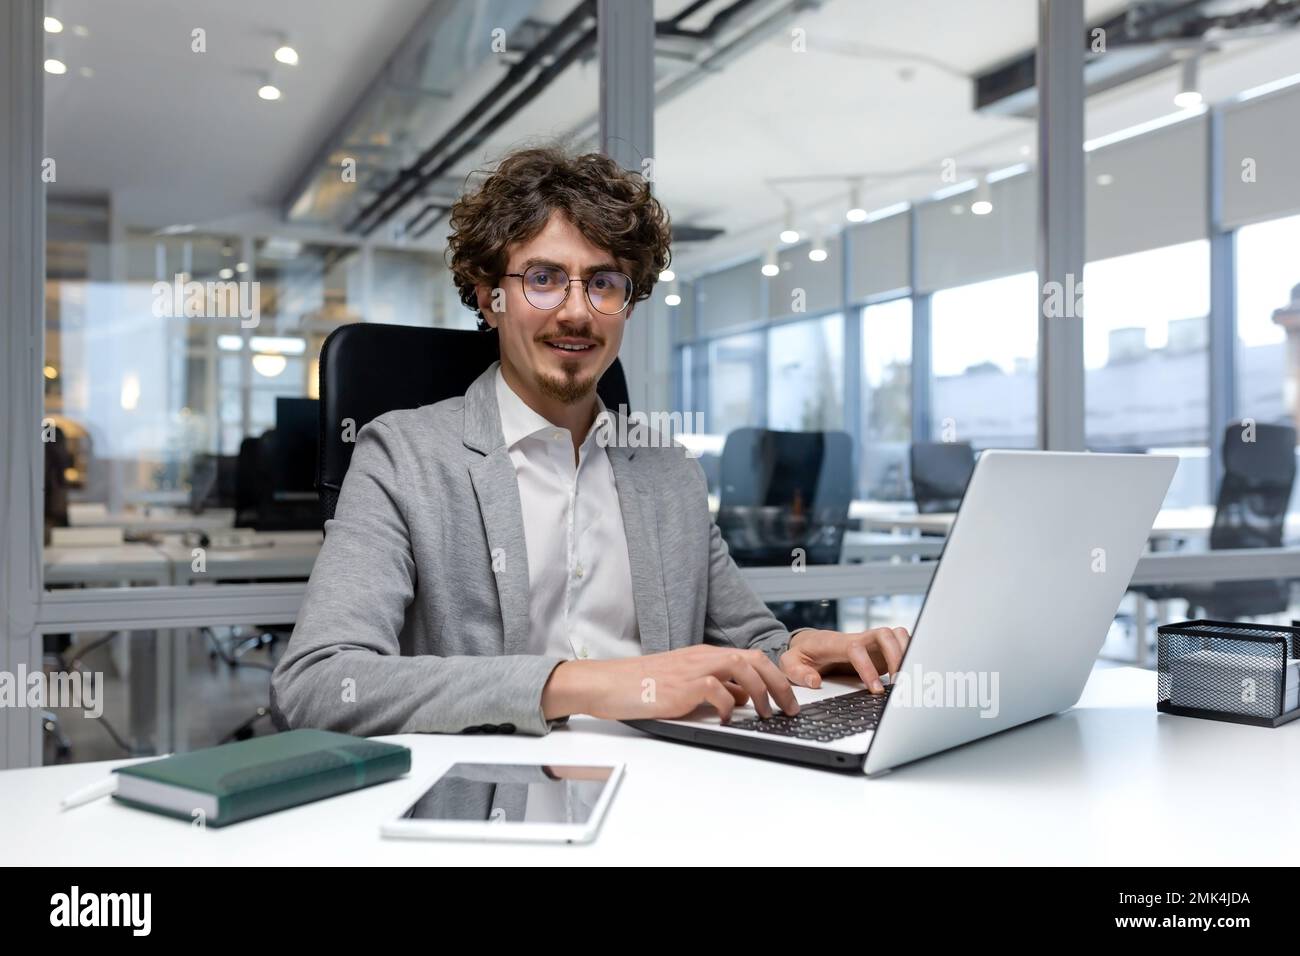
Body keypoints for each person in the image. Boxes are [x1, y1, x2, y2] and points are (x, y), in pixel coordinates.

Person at [272, 145, 909, 737]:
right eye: (544, 278)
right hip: (492, 816)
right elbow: (321, 683)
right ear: (491, 296)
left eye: (602, 283)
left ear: (627, 306)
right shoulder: (404, 456)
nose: (576, 312)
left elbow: (752, 640)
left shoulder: (668, 470)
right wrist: (584, 685)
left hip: (672, 797)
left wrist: (801, 653)